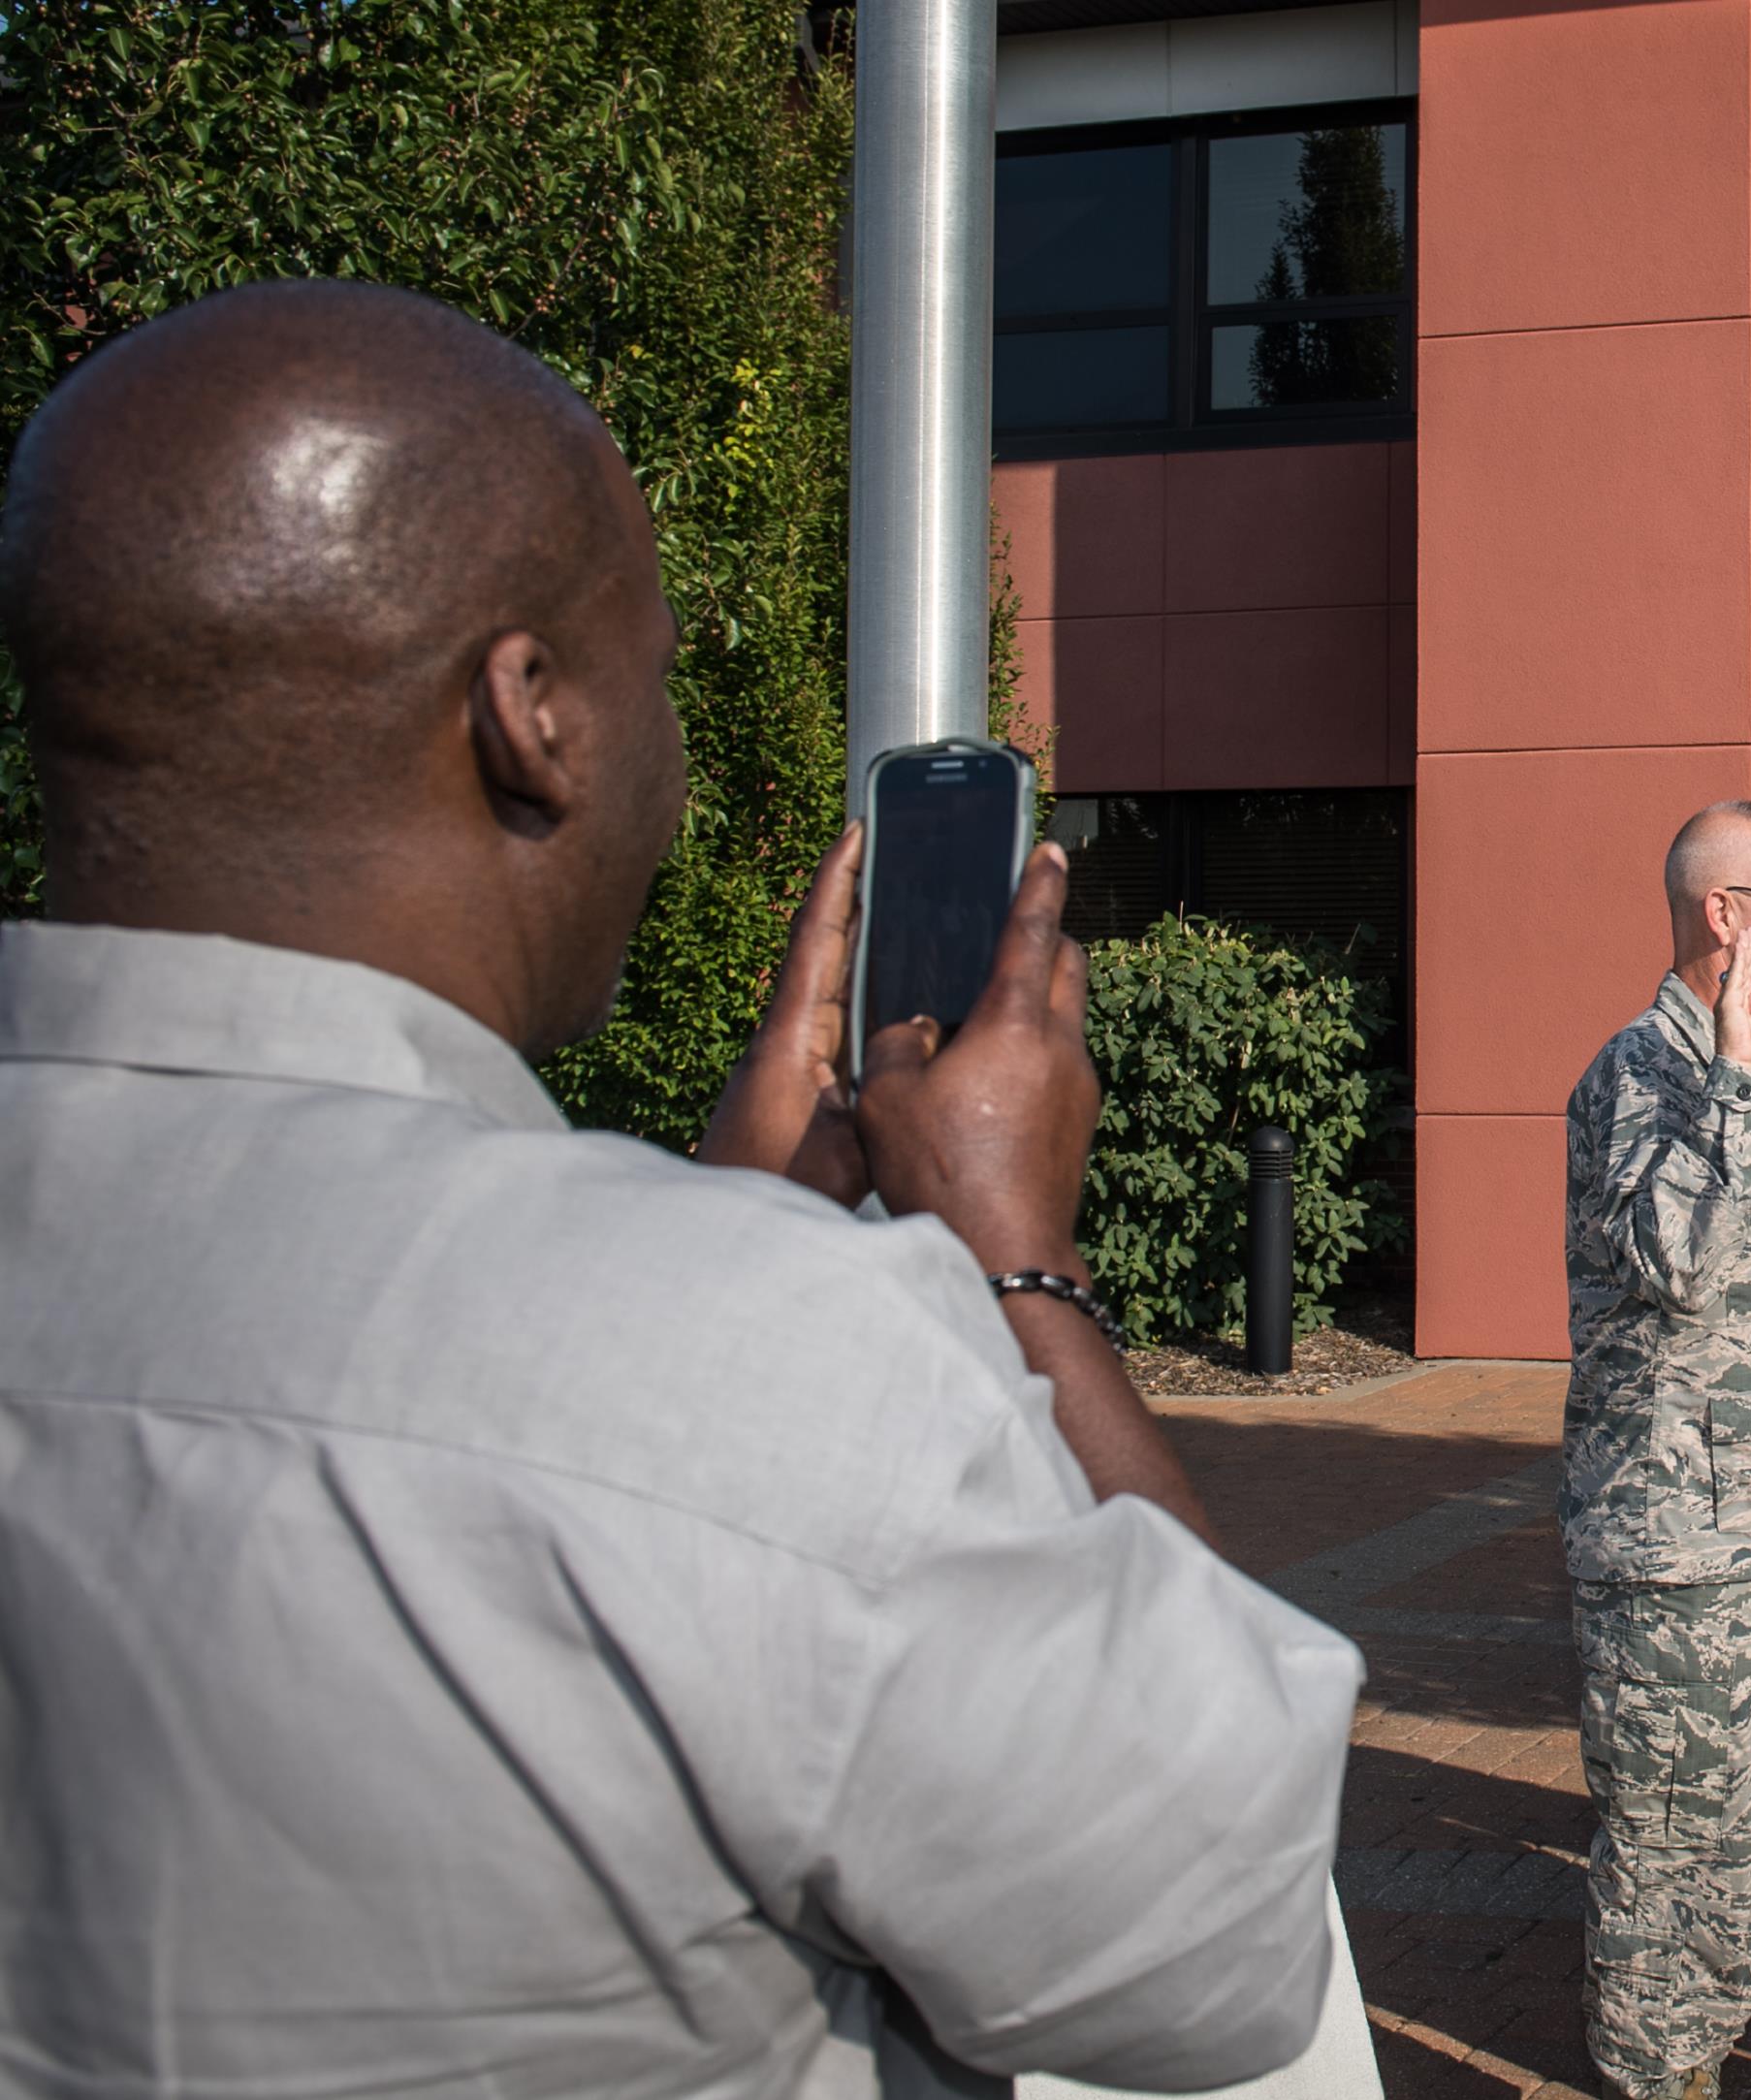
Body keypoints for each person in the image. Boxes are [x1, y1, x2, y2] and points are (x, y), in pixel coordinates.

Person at [0, 280, 1363, 2097]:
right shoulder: (771, 1360)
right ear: (529, 716)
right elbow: (1217, 1940)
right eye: (654, 679)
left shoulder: (718, 1317)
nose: (673, 766)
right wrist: (1012, 1266)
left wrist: (722, 1238)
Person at [1560, 800, 1751, 2100]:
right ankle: (1649, 2082)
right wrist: (1737, 1065)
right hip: (1680, 1557)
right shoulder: (1646, 1073)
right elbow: (1677, 1256)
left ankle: (1695, 2070)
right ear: (1724, 918)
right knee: (1667, 1865)